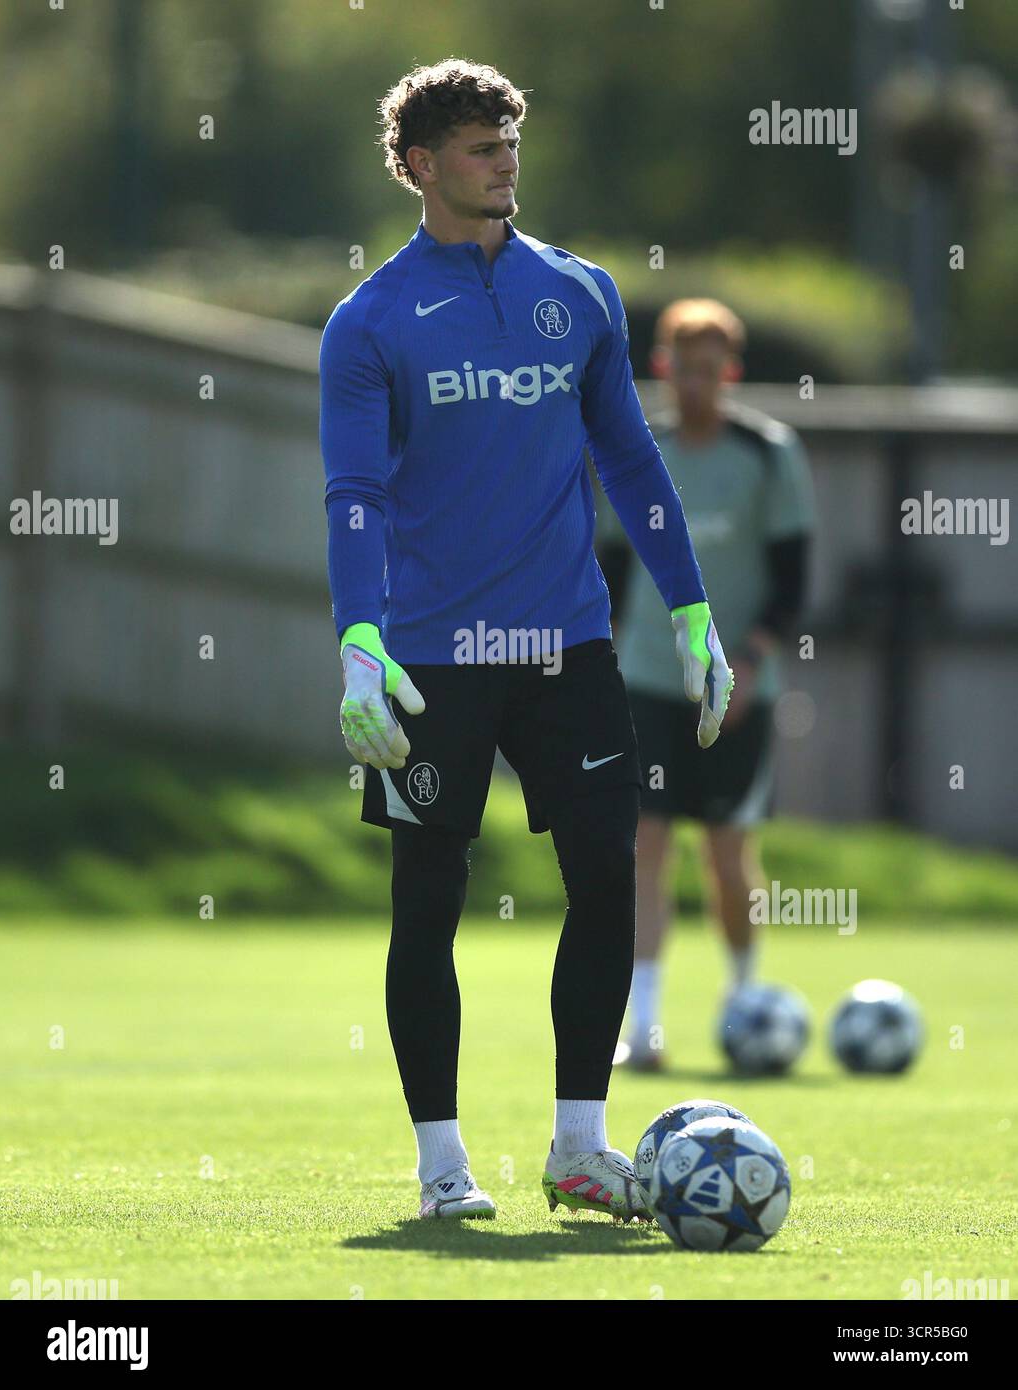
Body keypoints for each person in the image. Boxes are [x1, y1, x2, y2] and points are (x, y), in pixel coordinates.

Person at [319, 61, 732, 1221]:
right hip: (431, 660)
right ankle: (443, 1164)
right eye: (477, 146)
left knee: (606, 874)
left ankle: (578, 1146)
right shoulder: (370, 322)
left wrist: (692, 608)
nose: (504, 160)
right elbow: (352, 493)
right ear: (418, 165)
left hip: (567, 647)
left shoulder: (582, 291)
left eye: (509, 141)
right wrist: (360, 640)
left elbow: (632, 462)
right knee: (428, 894)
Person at [596, 299, 815, 1073]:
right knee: (645, 844)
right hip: (648, 677)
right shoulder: (633, 449)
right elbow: (613, 567)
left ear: (731, 371)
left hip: (736, 687)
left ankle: (744, 1003)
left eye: (709, 368)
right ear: (661, 367)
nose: (694, 382)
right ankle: (644, 1027)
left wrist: (748, 661)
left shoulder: (768, 453)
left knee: (726, 853)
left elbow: (791, 582)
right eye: (680, 367)